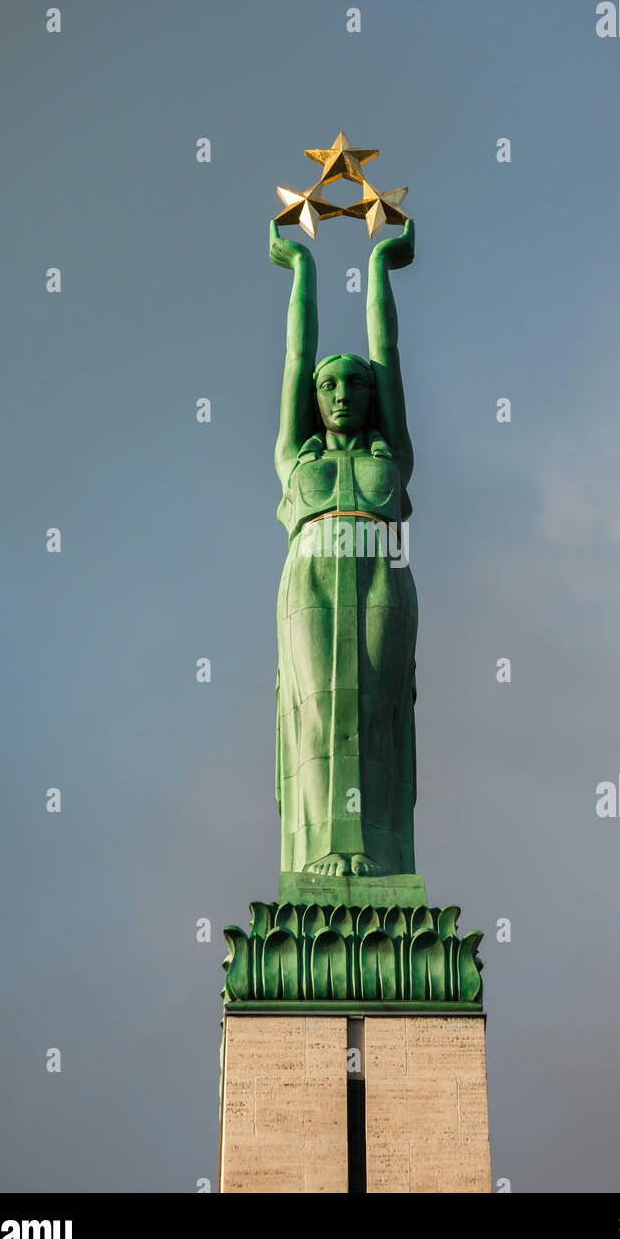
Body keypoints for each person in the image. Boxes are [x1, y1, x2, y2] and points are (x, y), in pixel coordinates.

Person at [270, 217, 418, 877]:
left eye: (354, 384)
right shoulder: (292, 457)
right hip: (311, 578)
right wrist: (302, 270)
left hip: (384, 569)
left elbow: (386, 352)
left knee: (376, 708)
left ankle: (374, 852)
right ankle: (325, 850)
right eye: (329, 385)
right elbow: (295, 359)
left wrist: (381, 266)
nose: (341, 393)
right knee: (321, 707)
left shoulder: (394, 455)